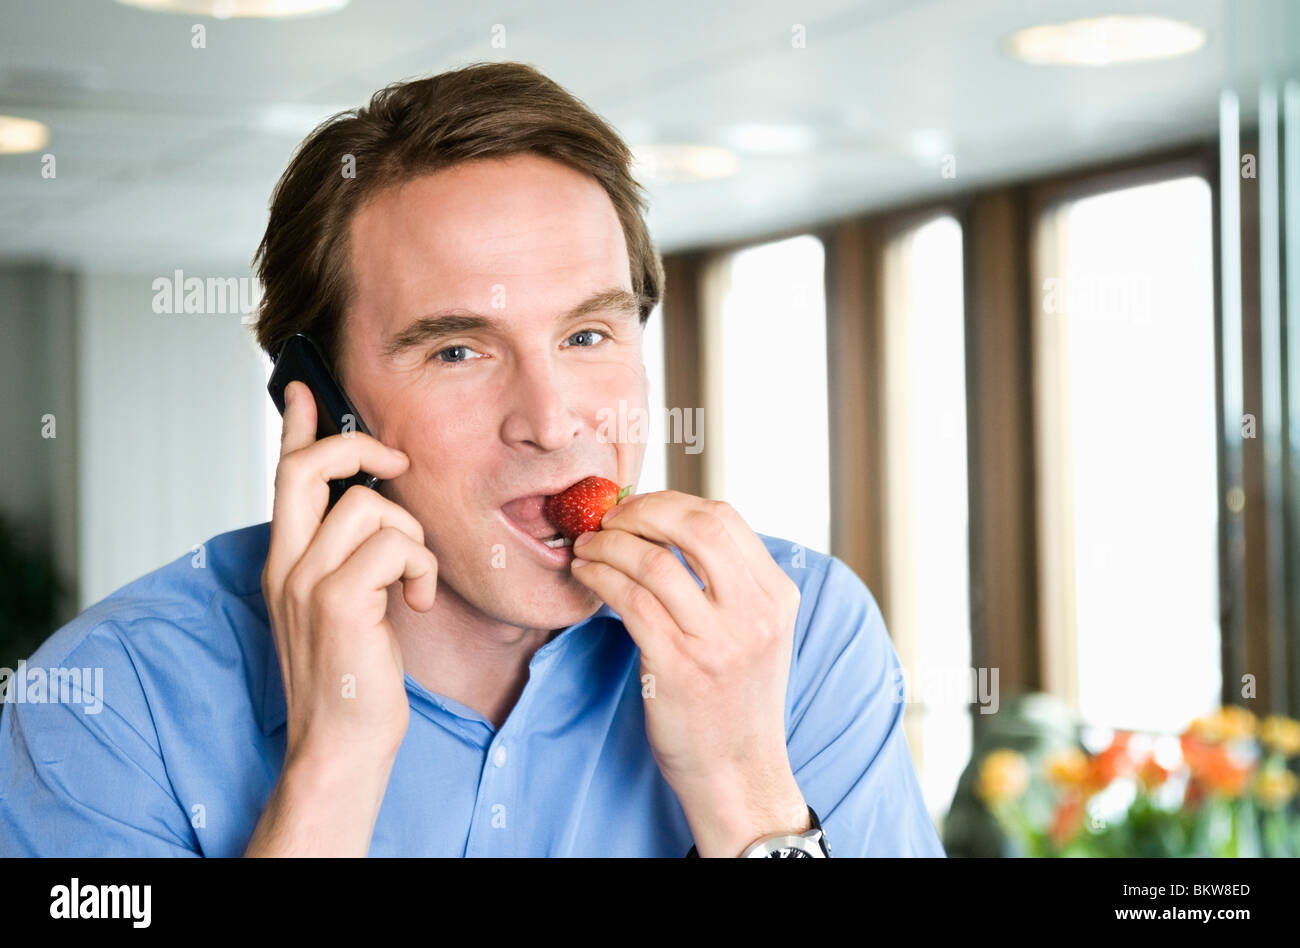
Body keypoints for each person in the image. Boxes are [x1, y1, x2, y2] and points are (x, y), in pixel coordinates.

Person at [0, 61, 943, 858]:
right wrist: (331, 774)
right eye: (458, 351)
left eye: (587, 335)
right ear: (322, 404)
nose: (551, 421)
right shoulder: (107, 704)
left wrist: (744, 787)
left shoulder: (798, 632)